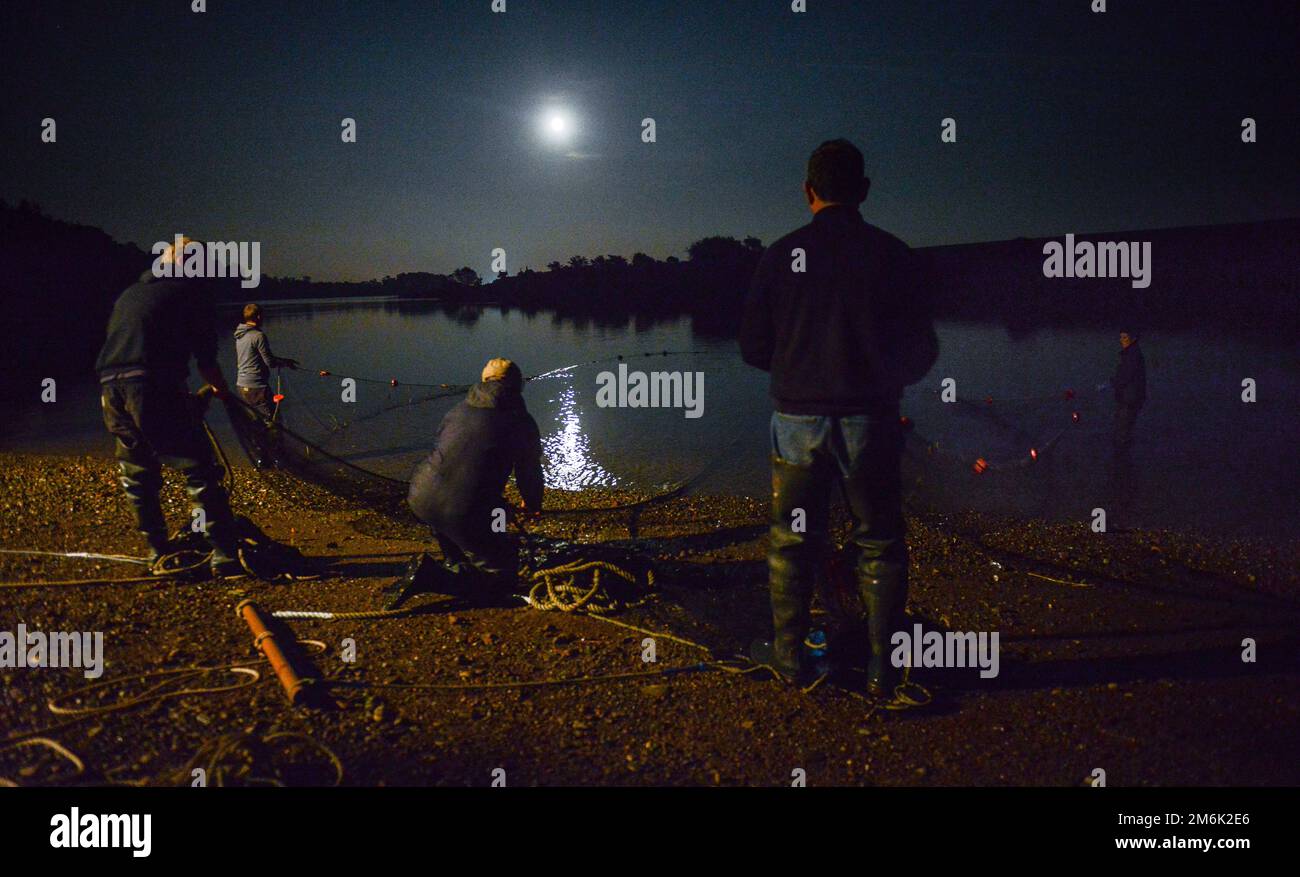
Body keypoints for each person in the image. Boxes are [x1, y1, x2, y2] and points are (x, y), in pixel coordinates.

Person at [739, 139, 939, 695]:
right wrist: (880, 381)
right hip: (870, 420)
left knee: (792, 539)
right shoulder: (894, 255)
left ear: (808, 192)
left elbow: (753, 345)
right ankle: (881, 669)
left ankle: (789, 657)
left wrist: (799, 370)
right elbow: (922, 350)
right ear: (865, 191)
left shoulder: (781, 256)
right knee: (879, 540)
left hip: (797, 422)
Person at [95, 237, 243, 577]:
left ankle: (157, 552)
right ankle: (224, 556)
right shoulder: (191, 295)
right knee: (199, 470)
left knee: (137, 475)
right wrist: (221, 391)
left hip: (110, 389)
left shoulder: (130, 293)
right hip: (152, 387)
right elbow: (206, 360)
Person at [402, 358, 544, 605]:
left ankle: (453, 561)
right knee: (503, 579)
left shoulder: (457, 411)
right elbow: (528, 471)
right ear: (517, 386)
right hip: (460, 509)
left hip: (420, 497)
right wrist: (532, 503)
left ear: (483, 381)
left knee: (477, 517)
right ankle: (430, 577)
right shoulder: (522, 421)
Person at [234, 303, 298, 420]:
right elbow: (270, 362)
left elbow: (256, 357)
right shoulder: (258, 336)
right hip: (256, 387)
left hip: (241, 386)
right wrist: (285, 363)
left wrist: (284, 360)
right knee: (272, 420)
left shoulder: (240, 335)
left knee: (254, 422)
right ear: (258, 317)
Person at [1107, 329, 1146, 497]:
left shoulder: (1132, 355)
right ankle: (1123, 466)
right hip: (1129, 397)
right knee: (1123, 427)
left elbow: (1126, 377)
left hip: (1130, 398)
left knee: (1122, 429)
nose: (1121, 340)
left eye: (1124, 337)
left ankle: (1121, 465)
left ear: (1132, 339)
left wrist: (1114, 382)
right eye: (1120, 337)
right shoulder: (1130, 354)